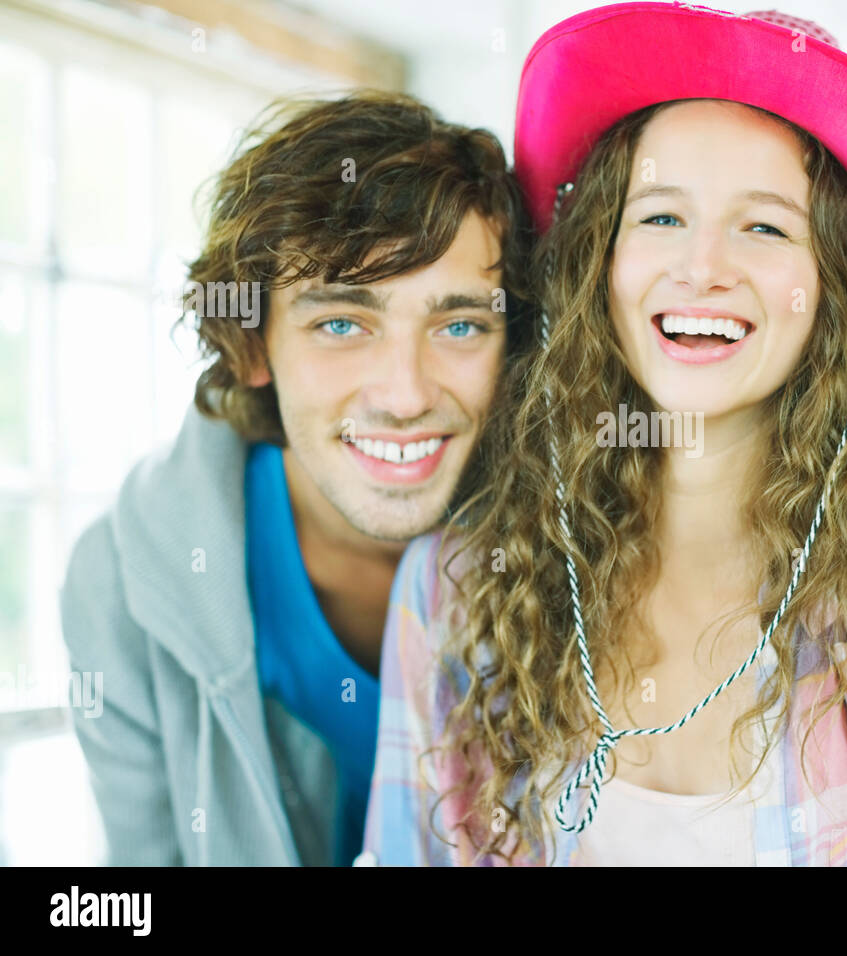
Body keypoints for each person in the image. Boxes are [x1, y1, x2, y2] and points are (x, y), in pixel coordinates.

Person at [359, 5, 847, 867]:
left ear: (833, 295)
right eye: (661, 217)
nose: (702, 266)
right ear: (602, 263)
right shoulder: (455, 593)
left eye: (766, 226)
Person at [58, 91, 533, 865]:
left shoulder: (588, 559)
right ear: (252, 348)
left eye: (459, 326)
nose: (406, 394)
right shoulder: (118, 586)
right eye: (342, 324)